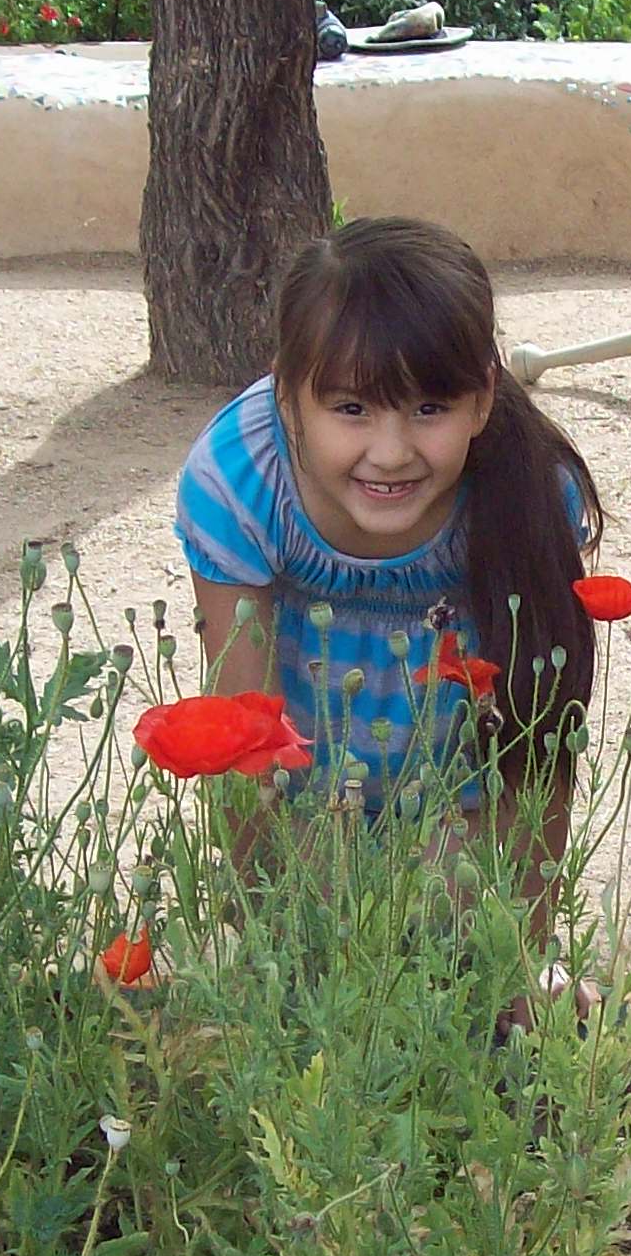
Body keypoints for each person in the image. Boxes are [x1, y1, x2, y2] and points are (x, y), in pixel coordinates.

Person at [175, 215, 602, 875]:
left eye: (430, 409)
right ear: (288, 399)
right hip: (303, 809)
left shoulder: (535, 491)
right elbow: (245, 744)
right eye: (352, 409)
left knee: (456, 946)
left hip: (461, 808)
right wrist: (268, 930)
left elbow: (537, 751)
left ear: (483, 400)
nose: (392, 453)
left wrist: (524, 956)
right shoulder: (239, 479)